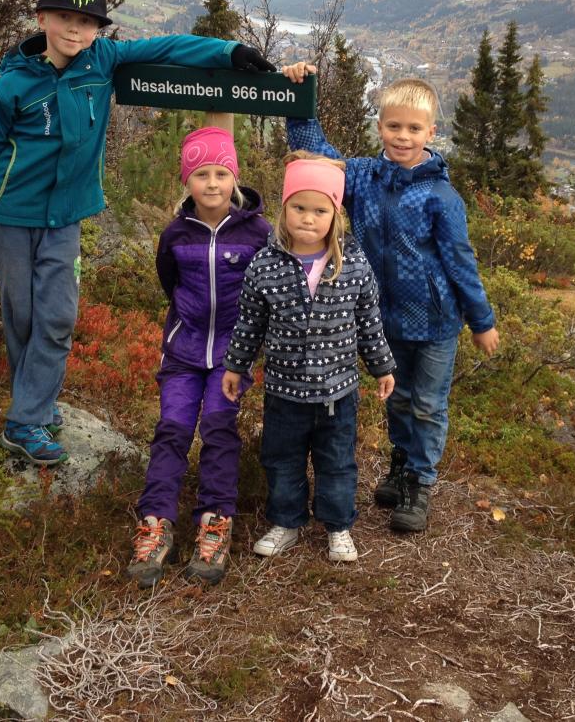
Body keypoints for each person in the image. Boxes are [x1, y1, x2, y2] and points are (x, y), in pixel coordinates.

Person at [0, 0, 275, 466]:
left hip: (66, 217)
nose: (74, 29)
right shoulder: (13, 84)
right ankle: (37, 408)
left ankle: (23, 421)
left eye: (86, 21)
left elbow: (166, 48)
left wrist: (229, 53)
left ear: (98, 29)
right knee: (20, 313)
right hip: (12, 212)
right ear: (42, 18)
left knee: (58, 314)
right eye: (64, 17)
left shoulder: (102, 61)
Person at [280, 66, 500, 533]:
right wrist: (299, 97)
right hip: (384, 321)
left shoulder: (441, 196)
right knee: (399, 401)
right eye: (394, 126)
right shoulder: (361, 178)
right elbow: (318, 157)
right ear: (379, 126)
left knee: (428, 404)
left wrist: (481, 321)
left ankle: (421, 482)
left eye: (414, 128)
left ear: (431, 132)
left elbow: (461, 261)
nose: (403, 136)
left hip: (437, 323)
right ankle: (401, 467)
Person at [222, 153, 396, 563]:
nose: (308, 218)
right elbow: (250, 323)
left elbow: (369, 321)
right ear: (284, 210)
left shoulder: (352, 264)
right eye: (299, 207)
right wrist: (236, 365)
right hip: (284, 392)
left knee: (337, 463)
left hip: (338, 392)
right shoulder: (265, 265)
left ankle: (338, 527)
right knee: (282, 460)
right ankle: (286, 521)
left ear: (335, 215)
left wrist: (382, 367)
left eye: (320, 210)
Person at [125, 124, 272, 587]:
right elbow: (169, 282)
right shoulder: (175, 234)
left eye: (221, 173)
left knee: (218, 427)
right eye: (202, 173)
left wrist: (249, 349)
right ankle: (155, 525)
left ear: (235, 179)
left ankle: (215, 522)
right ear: (186, 181)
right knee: (171, 428)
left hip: (233, 354)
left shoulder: (257, 233)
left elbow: (265, 290)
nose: (212, 183)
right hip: (184, 351)